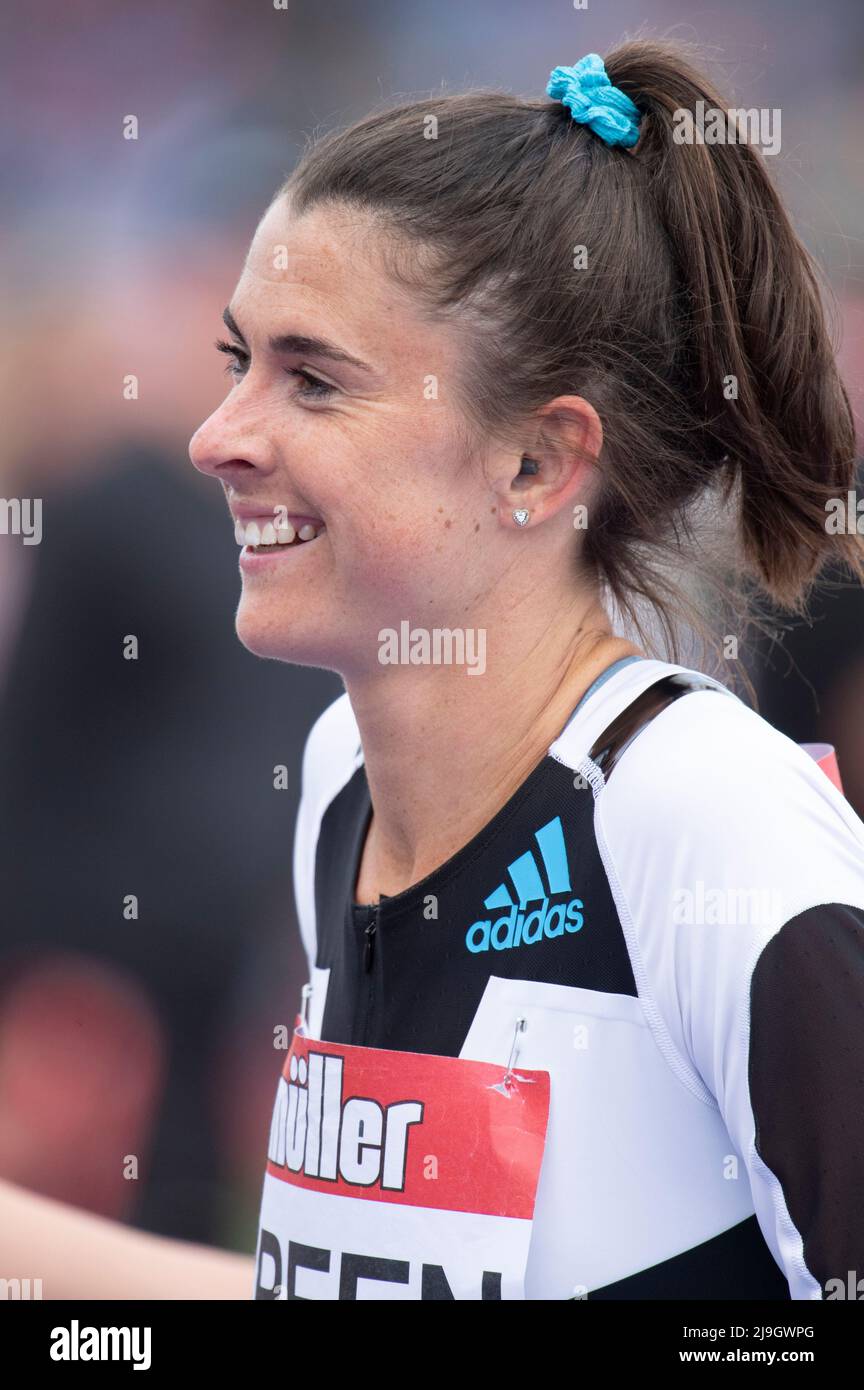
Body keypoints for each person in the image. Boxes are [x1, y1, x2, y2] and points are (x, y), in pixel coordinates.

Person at [4, 39, 863, 1301]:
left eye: (314, 379)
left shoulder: (705, 818)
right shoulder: (344, 771)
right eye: (238, 361)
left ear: (536, 463)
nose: (216, 437)